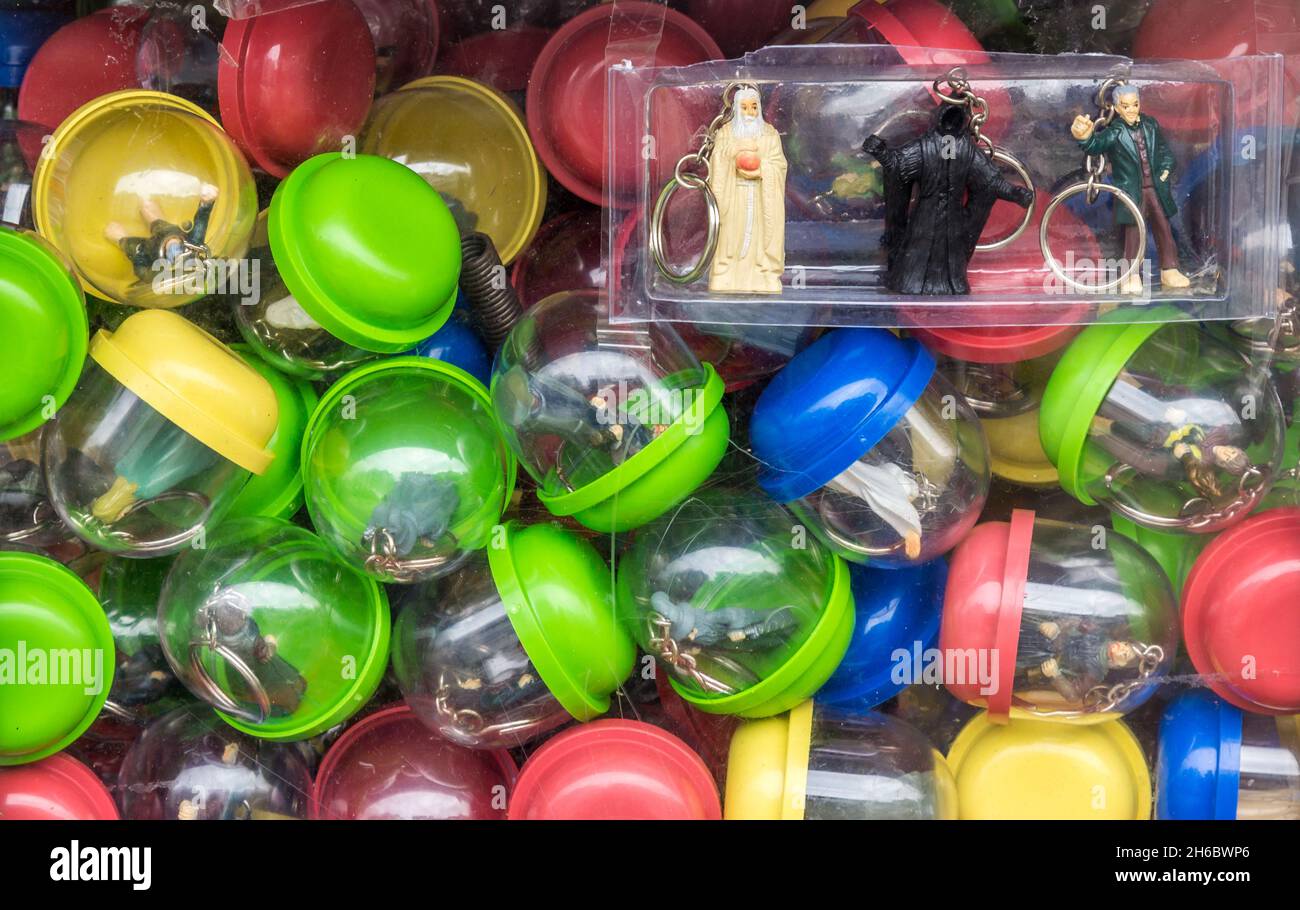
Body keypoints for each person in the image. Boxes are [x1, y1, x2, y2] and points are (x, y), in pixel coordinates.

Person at [865, 103, 1033, 295]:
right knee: (918, 250)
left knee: (951, 254)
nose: (951, 125)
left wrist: (1014, 193)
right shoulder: (925, 146)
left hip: (953, 220)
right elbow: (899, 164)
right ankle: (910, 281)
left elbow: (990, 180)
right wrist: (882, 153)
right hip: (924, 218)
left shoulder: (966, 151)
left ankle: (951, 284)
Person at [1070, 85, 1189, 294]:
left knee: (1164, 226)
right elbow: (1096, 146)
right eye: (1126, 106)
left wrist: (1164, 172)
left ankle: (1170, 269)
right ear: (1116, 107)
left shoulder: (1151, 125)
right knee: (1133, 233)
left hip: (1156, 188)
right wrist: (1084, 137)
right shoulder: (1115, 132)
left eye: (1135, 104)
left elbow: (1165, 153)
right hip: (1132, 191)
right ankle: (1131, 274)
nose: (1132, 109)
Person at [707, 87, 787, 295]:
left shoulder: (770, 133)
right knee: (730, 235)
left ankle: (767, 274)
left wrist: (762, 170)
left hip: (763, 195)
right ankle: (724, 274)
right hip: (734, 196)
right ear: (735, 109)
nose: (750, 113)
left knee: (762, 237)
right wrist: (733, 151)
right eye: (744, 108)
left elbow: (779, 164)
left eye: (754, 107)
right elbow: (718, 160)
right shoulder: (726, 133)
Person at [104, 183, 219, 286]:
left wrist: (138, 255)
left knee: (122, 239)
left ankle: (119, 237)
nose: (174, 246)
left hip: (146, 248)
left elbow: (143, 273)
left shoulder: (157, 265)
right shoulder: (193, 244)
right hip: (167, 231)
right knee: (154, 216)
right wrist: (206, 202)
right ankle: (149, 211)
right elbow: (200, 223)